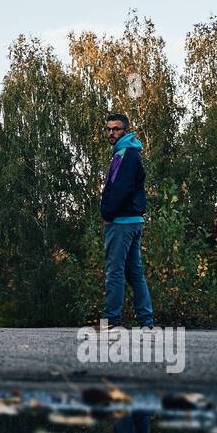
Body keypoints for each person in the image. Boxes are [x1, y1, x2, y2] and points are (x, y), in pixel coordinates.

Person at [99, 113, 154, 329]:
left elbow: (121, 188)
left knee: (115, 271)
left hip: (122, 222)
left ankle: (111, 320)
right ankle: (146, 321)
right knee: (134, 272)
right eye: (108, 129)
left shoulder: (127, 155)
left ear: (125, 131)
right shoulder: (124, 153)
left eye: (116, 129)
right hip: (132, 220)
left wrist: (107, 213)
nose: (111, 133)